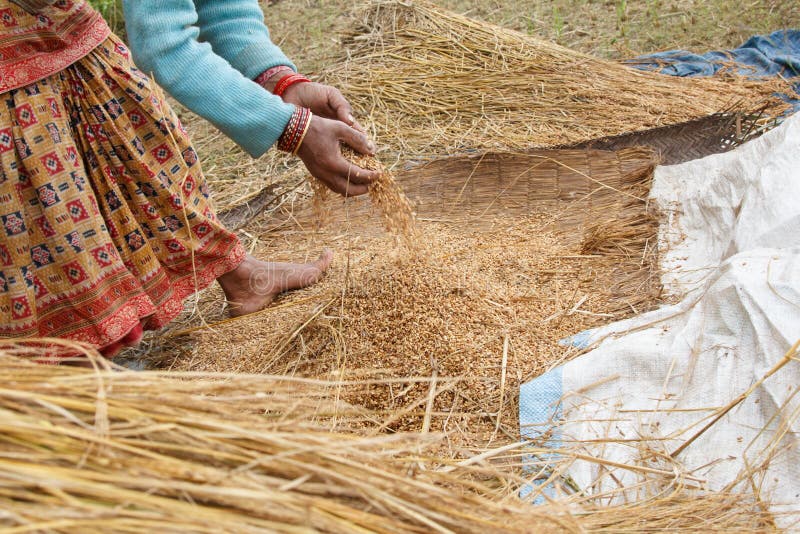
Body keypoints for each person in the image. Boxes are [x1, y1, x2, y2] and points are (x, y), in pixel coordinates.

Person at [0, 0, 379, 359]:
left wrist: (278, 80)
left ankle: (240, 276)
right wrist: (289, 126)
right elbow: (165, 44)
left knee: (139, 148)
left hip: (62, 30)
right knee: (45, 223)